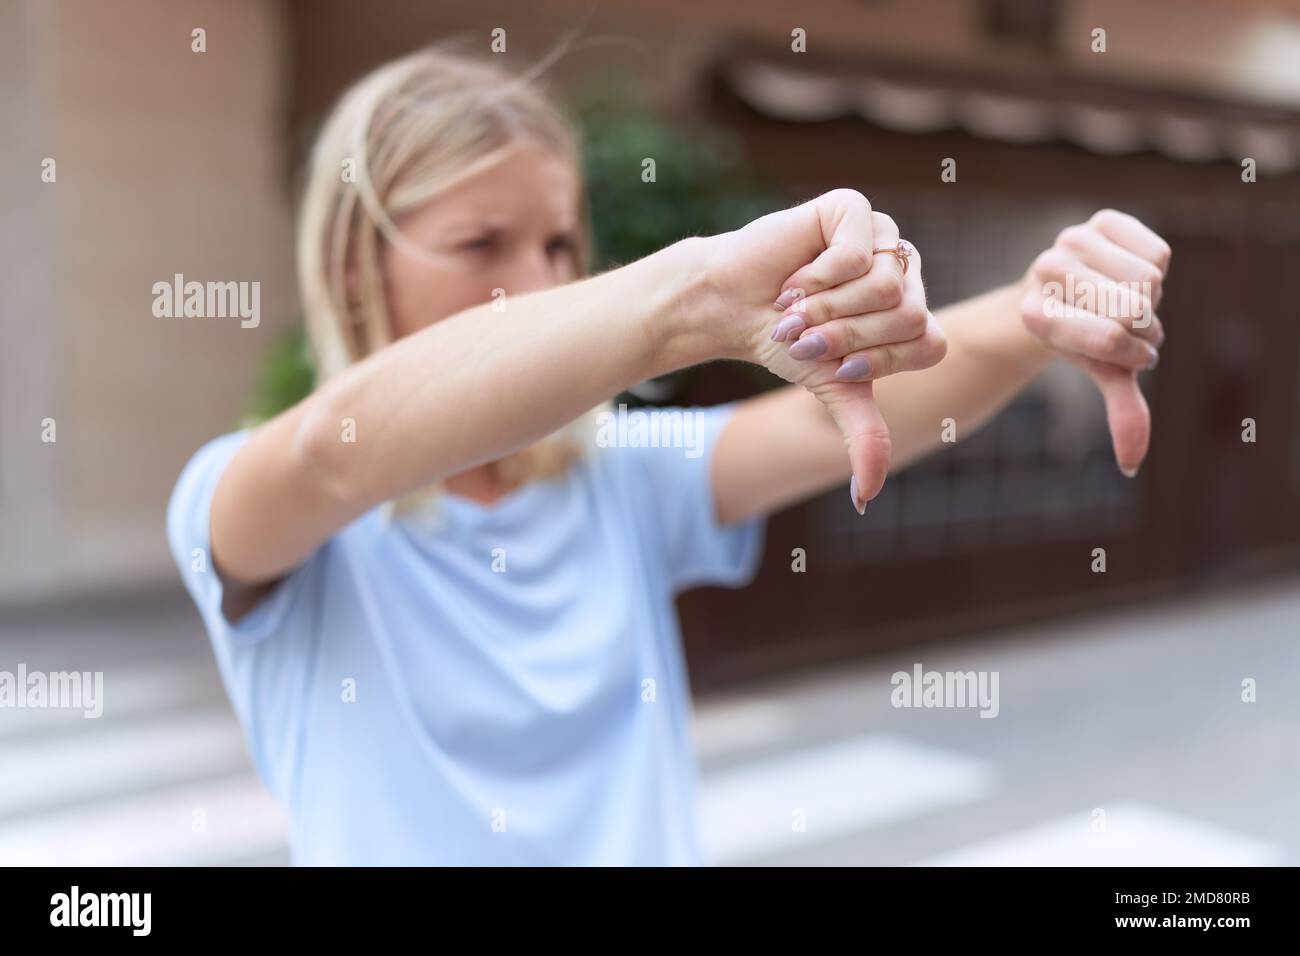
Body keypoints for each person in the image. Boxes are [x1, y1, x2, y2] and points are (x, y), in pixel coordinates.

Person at [168, 49, 1170, 864]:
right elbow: (324, 458)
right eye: (483, 243)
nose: (537, 279)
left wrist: (1030, 312)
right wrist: (687, 300)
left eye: (560, 244)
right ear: (354, 265)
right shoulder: (244, 495)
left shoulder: (617, 474)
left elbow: (842, 422)